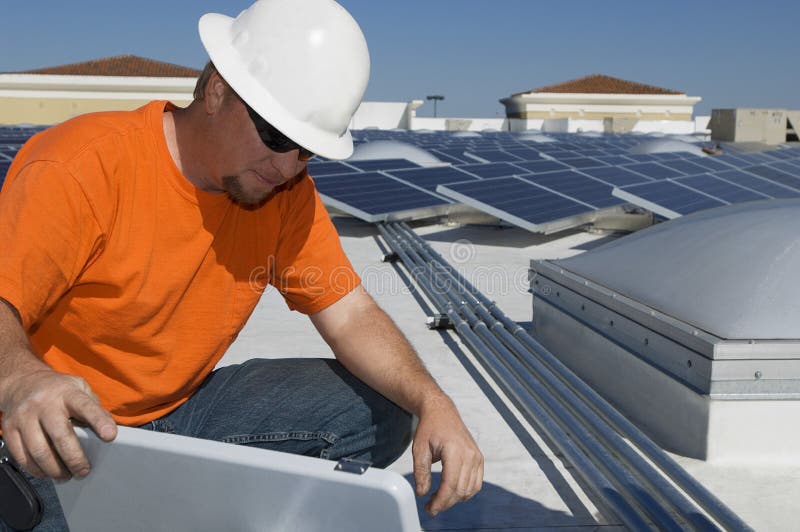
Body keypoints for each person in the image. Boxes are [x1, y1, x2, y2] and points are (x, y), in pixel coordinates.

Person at [0, 0, 483, 529]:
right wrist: (24, 379)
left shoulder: (286, 192)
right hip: (64, 424)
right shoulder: (81, 166)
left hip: (182, 415)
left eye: (306, 150)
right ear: (217, 91)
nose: (286, 166)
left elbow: (348, 313)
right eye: (277, 136)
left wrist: (433, 400)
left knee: (385, 408)